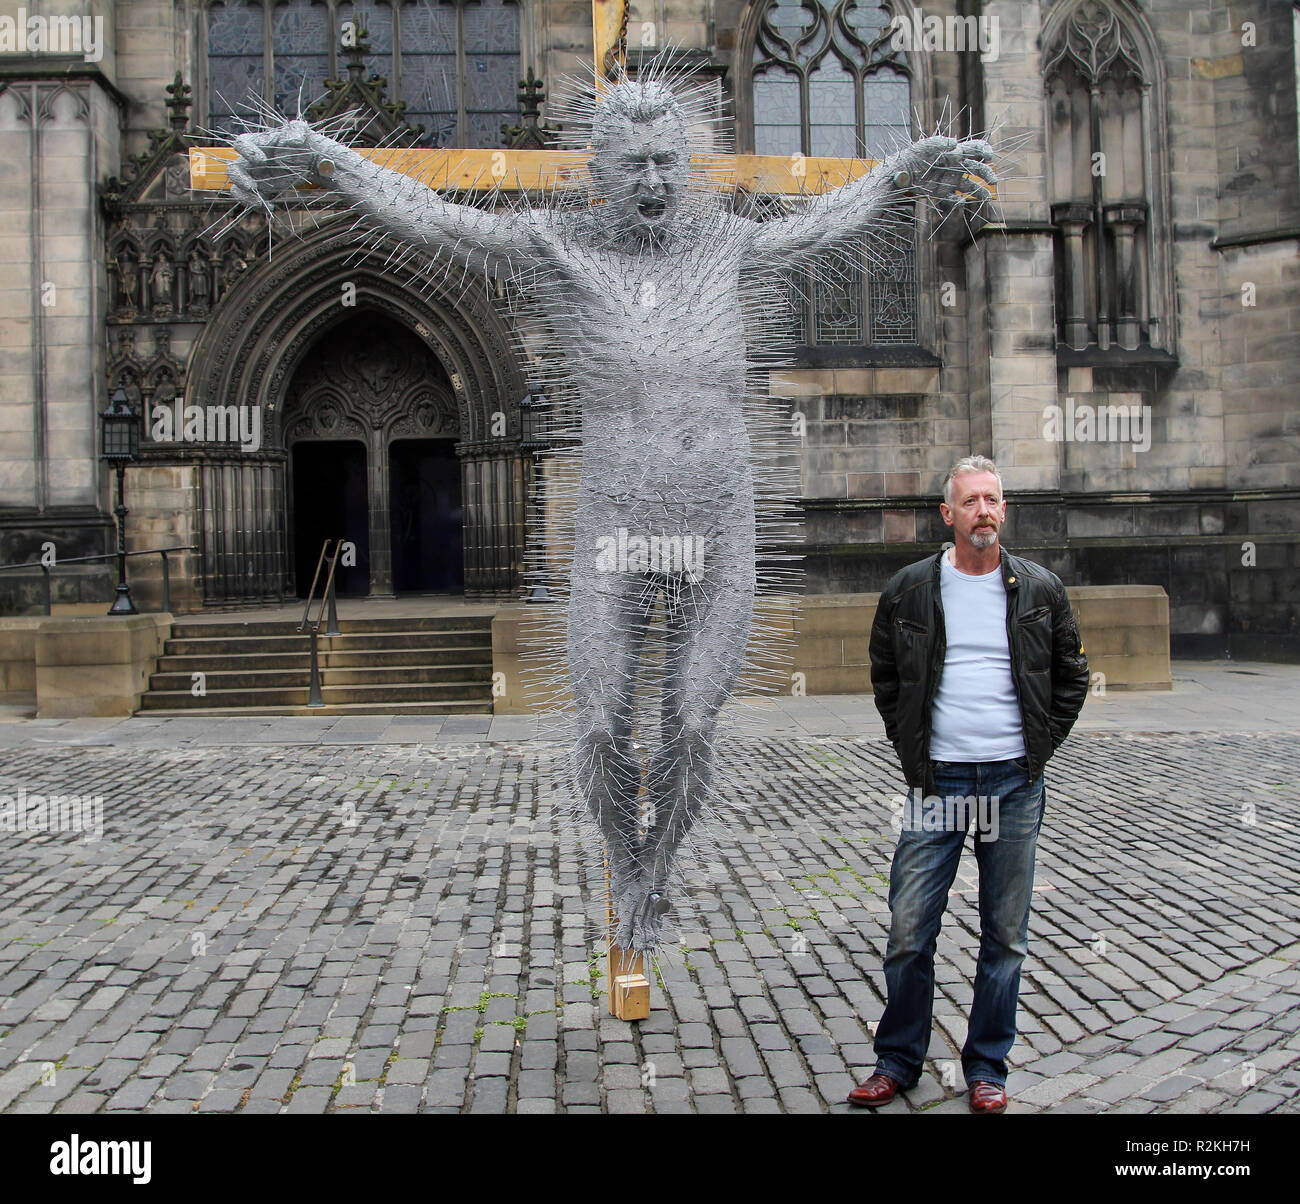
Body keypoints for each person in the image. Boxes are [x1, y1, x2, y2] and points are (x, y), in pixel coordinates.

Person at [225, 80, 996, 951]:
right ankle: (624, 856)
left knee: (694, 725)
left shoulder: (728, 247)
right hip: (616, 533)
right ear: (601, 170)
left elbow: (825, 222)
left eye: (670, 162)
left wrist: (906, 167)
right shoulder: (551, 245)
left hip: (718, 523)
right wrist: (327, 160)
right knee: (596, 726)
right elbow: (433, 217)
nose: (657, 183)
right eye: (637, 168)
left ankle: (654, 871)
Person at [849, 455, 1089, 1113]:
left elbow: (1070, 677)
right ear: (947, 514)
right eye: (970, 501)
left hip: (1013, 783)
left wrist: (1038, 746)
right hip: (939, 784)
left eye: (992, 499)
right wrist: (913, 751)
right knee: (908, 929)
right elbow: (886, 675)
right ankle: (897, 1062)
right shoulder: (909, 589)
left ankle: (987, 1068)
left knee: (1004, 935)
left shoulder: (1039, 588)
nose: (983, 511)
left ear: (1003, 510)